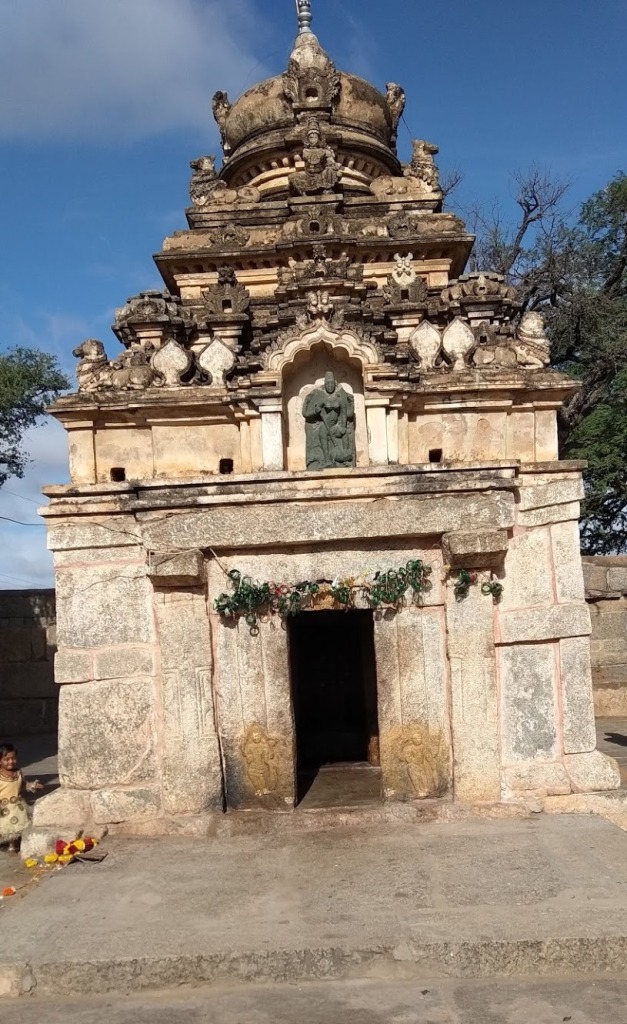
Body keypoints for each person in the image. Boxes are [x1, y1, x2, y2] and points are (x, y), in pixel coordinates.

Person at [0, 743, 43, 855]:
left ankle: (12, 846)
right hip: (3, 807)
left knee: (16, 825)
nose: (11, 762)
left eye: (13, 758)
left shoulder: (18, 772)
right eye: (7, 759)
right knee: (6, 826)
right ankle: (8, 843)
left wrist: (32, 785)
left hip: (17, 805)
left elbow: (23, 785)